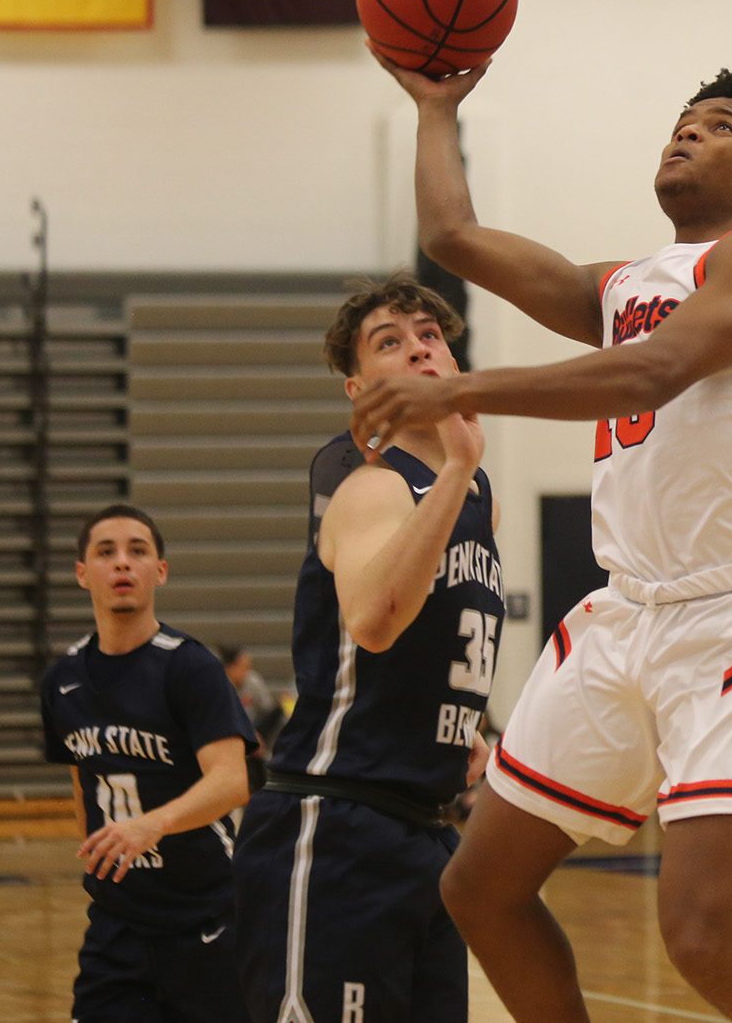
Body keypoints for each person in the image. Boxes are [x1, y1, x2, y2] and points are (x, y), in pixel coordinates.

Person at [356, 41, 732, 1020]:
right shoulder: (624, 284)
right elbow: (452, 234)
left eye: (721, 124)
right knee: (477, 889)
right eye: (683, 116)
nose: (688, 128)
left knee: (699, 933)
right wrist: (435, 109)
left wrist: (461, 387)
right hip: (624, 613)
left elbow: (650, 373)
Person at [233, 280, 500, 1023]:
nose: (419, 344)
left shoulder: (478, 499)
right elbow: (377, 621)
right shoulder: (372, 488)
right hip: (334, 825)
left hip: (424, 833)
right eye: (390, 340)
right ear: (360, 392)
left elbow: (429, 641)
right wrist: (452, 468)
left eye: (429, 333)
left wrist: (458, 724)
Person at [39, 505, 257, 1023]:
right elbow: (80, 781)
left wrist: (149, 826)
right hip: (118, 924)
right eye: (106, 552)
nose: (122, 564)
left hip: (206, 918)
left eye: (138, 551)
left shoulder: (190, 666)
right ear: (81, 573)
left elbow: (233, 780)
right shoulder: (62, 680)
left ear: (160, 571)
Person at [217, 644, 286, 753]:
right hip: (227, 732)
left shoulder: (252, 681)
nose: (247, 672)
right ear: (229, 667)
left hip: (253, 727)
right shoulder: (218, 685)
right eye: (244, 667)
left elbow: (269, 710)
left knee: (278, 712)